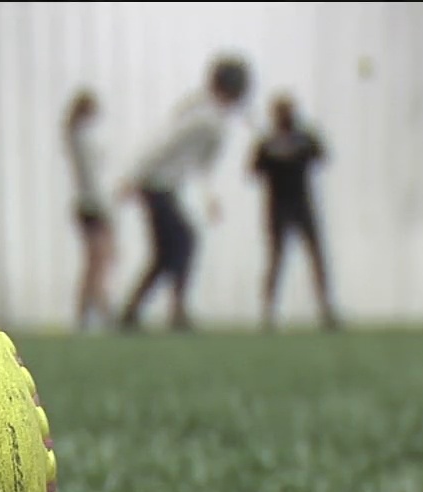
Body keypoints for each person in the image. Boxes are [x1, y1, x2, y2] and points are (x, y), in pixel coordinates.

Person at [117, 54, 251, 331]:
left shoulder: (209, 114)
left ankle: (134, 312)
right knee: (183, 243)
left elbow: (202, 162)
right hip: (157, 185)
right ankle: (174, 310)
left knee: (167, 252)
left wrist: (210, 197)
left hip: (162, 186)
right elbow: (164, 145)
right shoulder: (206, 117)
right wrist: (133, 178)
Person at [251, 94, 339, 331]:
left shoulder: (304, 138)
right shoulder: (267, 142)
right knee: (277, 259)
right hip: (278, 206)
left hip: (301, 204)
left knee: (315, 256)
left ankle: (326, 308)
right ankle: (268, 312)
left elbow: (321, 156)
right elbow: (254, 171)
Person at [64, 89, 115, 331]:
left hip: (86, 205)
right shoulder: (85, 138)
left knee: (94, 263)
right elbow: (94, 179)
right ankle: (103, 313)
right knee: (99, 263)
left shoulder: (75, 136)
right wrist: (107, 212)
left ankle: (90, 313)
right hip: (94, 206)